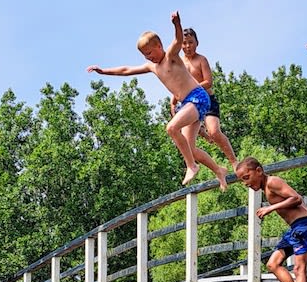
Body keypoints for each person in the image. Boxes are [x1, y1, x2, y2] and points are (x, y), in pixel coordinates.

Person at [87, 11, 229, 191]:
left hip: (198, 97)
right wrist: (103, 71)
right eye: (145, 55)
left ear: (159, 46)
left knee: (171, 128)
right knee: (190, 148)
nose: (148, 57)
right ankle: (219, 170)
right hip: (187, 104)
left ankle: (191, 166)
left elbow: (178, 39)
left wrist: (177, 24)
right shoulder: (151, 66)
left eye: (149, 53)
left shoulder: (171, 56)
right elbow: (126, 70)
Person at [172, 27, 237, 168]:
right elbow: (177, 84)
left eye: (191, 42)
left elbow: (208, 82)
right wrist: (174, 101)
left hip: (207, 101)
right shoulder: (180, 63)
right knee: (187, 145)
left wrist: (191, 89)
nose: (188, 46)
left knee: (214, 132)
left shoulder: (201, 60)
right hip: (190, 104)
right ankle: (216, 168)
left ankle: (234, 161)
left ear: (197, 43)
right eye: (184, 43)